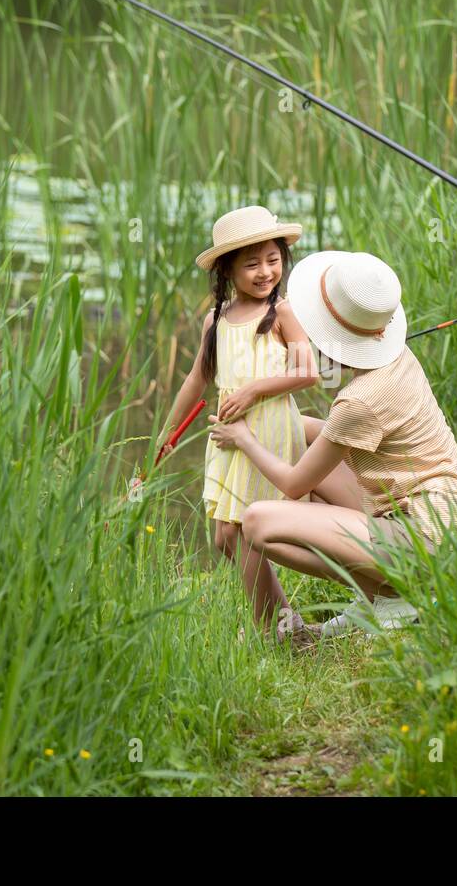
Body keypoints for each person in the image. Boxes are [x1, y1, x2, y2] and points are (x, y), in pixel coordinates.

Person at [207, 251, 457, 648]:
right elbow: (327, 436)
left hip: (426, 541)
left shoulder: (360, 400)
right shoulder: (398, 357)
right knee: (299, 452)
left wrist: (245, 439)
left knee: (257, 522)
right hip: (440, 522)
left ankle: (391, 599)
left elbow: (296, 484)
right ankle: (385, 599)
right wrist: (269, 419)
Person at [156, 205, 317, 611]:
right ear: (227, 270)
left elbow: (308, 372)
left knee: (240, 532)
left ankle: (279, 628)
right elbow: (197, 379)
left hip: (267, 429)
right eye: (252, 264)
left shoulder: (281, 313)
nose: (265, 272)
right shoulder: (217, 320)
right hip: (229, 436)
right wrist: (168, 432)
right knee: (224, 539)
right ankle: (283, 618)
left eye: (273, 260)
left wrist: (256, 390)